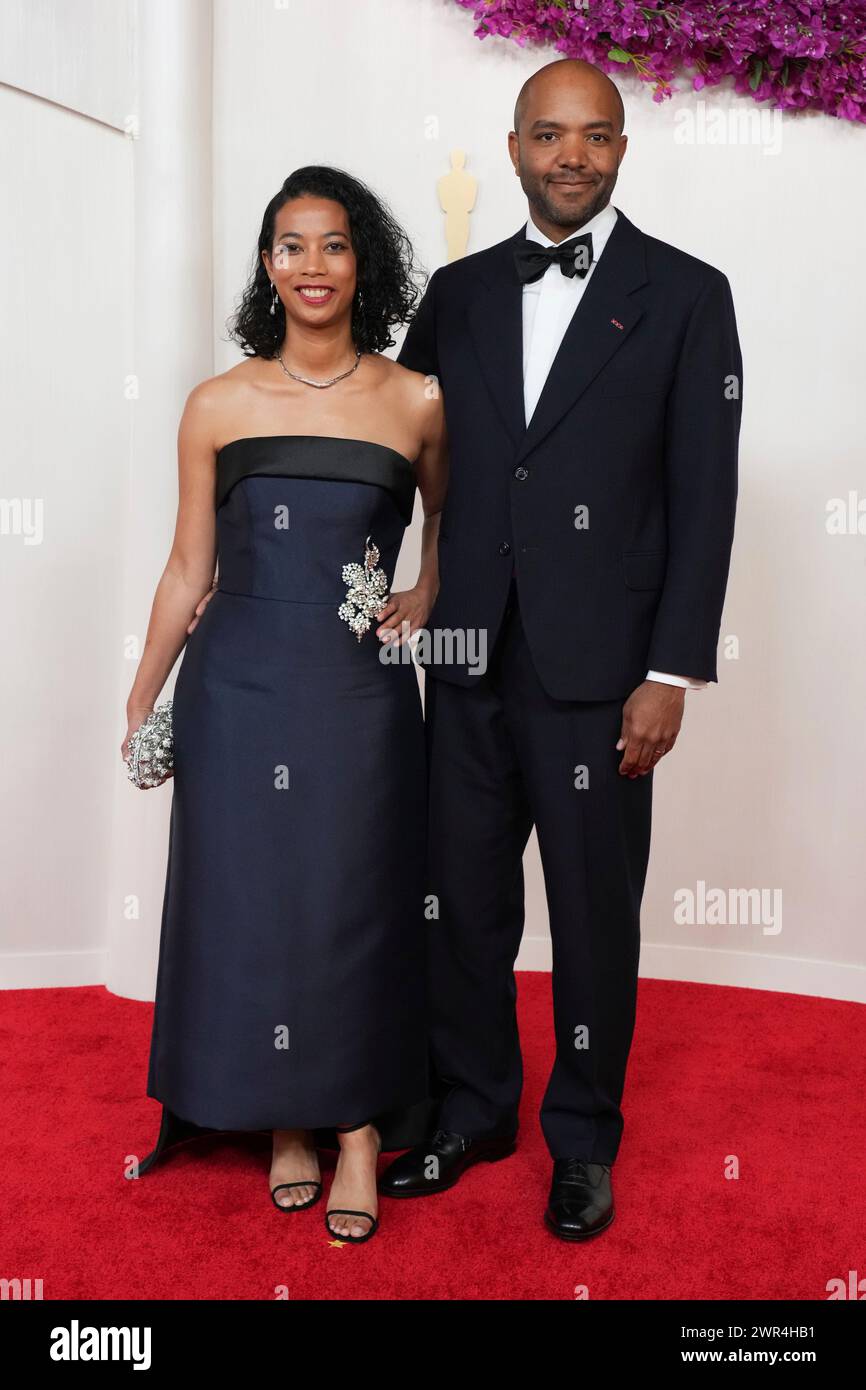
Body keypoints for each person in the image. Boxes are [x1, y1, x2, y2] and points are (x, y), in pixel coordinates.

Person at [381, 58, 742, 1240]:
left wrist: (670, 671)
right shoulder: (460, 290)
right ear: (513, 145)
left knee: (590, 915)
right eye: (548, 134)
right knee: (460, 905)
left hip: (604, 674)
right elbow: (418, 454)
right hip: (467, 650)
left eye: (593, 134)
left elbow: (703, 495)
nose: (570, 154)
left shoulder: (687, 294)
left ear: (623, 147)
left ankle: (581, 1139)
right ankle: (473, 1109)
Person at [123, 166, 447, 1243]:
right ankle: (283, 1123)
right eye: (289, 245)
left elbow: (446, 528)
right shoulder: (216, 403)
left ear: (367, 263)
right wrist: (140, 700)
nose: (311, 266)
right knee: (253, 900)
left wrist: (425, 592)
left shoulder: (414, 399)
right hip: (238, 686)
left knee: (348, 898)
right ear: (267, 264)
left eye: (333, 244)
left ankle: (354, 1121)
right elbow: (185, 567)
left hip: (353, 692)